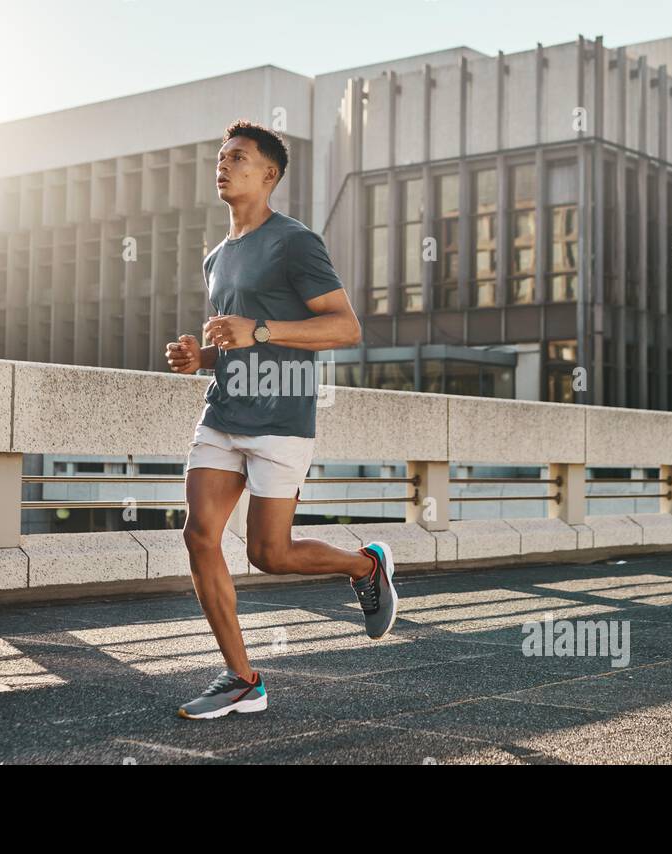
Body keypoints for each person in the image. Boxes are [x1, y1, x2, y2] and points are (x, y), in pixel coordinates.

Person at [165, 120, 399, 720]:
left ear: (268, 174)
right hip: (223, 411)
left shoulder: (296, 242)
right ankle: (244, 678)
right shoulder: (216, 257)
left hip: (281, 418)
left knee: (271, 554)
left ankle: (364, 565)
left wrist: (260, 330)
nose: (224, 166)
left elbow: (345, 327)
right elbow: (237, 339)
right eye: (221, 157)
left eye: (238, 158)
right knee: (199, 535)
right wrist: (203, 356)